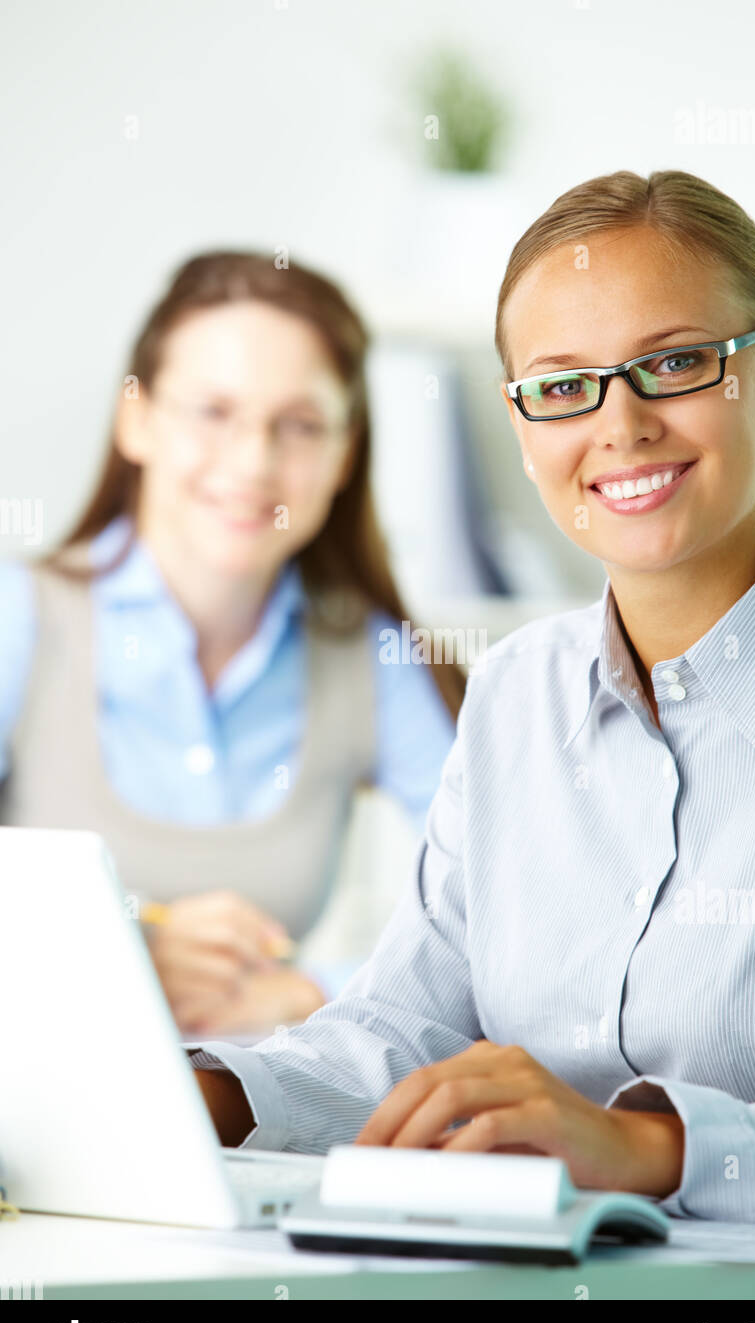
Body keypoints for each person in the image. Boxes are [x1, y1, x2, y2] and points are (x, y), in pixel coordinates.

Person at [192, 168, 755, 1221]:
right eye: (562, 387)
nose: (619, 423)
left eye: (676, 362)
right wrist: (204, 1096)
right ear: (523, 425)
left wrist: (644, 1146)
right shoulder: (514, 691)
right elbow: (408, 1028)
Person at [0, 252, 465, 1036]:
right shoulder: (22, 614)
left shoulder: (375, 658)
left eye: (301, 425)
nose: (253, 463)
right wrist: (124, 951)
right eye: (213, 411)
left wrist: (312, 990)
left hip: (253, 1132)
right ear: (136, 419)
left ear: (345, 456)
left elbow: (503, 920)